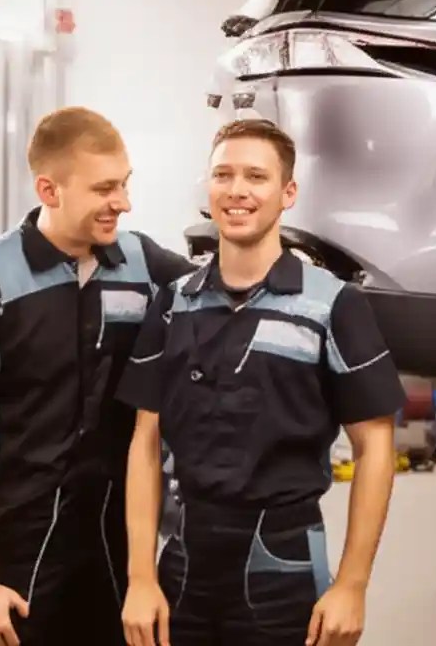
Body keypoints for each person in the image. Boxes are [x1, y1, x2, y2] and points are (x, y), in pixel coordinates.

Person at [0, 106, 196, 646]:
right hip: (9, 562)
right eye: (105, 188)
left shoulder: (146, 267)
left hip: (112, 563)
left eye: (126, 185)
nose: (124, 203)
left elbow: (227, 299)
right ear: (50, 188)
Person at [117, 119, 404, 646]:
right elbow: (145, 443)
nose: (238, 190)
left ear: (287, 192)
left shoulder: (333, 304)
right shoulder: (174, 302)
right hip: (182, 557)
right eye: (223, 174)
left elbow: (376, 446)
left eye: (256, 176)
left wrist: (352, 586)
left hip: (284, 560)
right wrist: (140, 577)